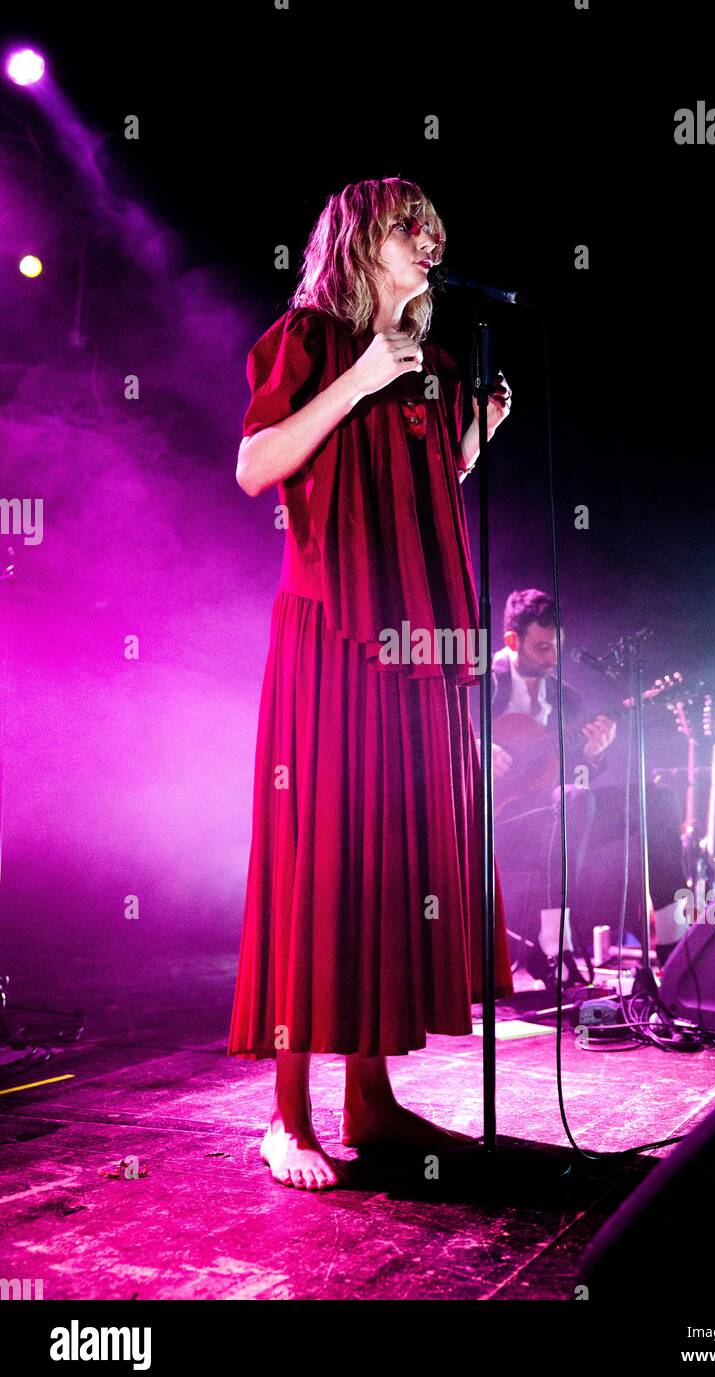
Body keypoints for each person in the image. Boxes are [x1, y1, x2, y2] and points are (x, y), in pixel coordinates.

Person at [226, 178, 514, 1190]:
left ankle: (371, 1102)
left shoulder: (432, 362)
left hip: (410, 639)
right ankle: (283, 1118)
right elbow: (259, 466)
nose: (428, 245)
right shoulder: (303, 336)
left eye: (434, 232)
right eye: (410, 229)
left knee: (388, 863)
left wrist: (473, 433)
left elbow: (410, 498)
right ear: (359, 240)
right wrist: (355, 379)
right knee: (317, 864)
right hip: (324, 633)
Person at [488, 589, 685, 983]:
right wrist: (476, 744)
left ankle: (676, 949)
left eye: (556, 647)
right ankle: (553, 948)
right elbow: (434, 732)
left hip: (561, 810)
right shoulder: (479, 684)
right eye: (542, 647)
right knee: (574, 800)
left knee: (659, 800)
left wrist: (594, 755)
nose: (551, 658)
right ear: (512, 640)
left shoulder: (566, 699)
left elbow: (573, 774)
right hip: (496, 816)